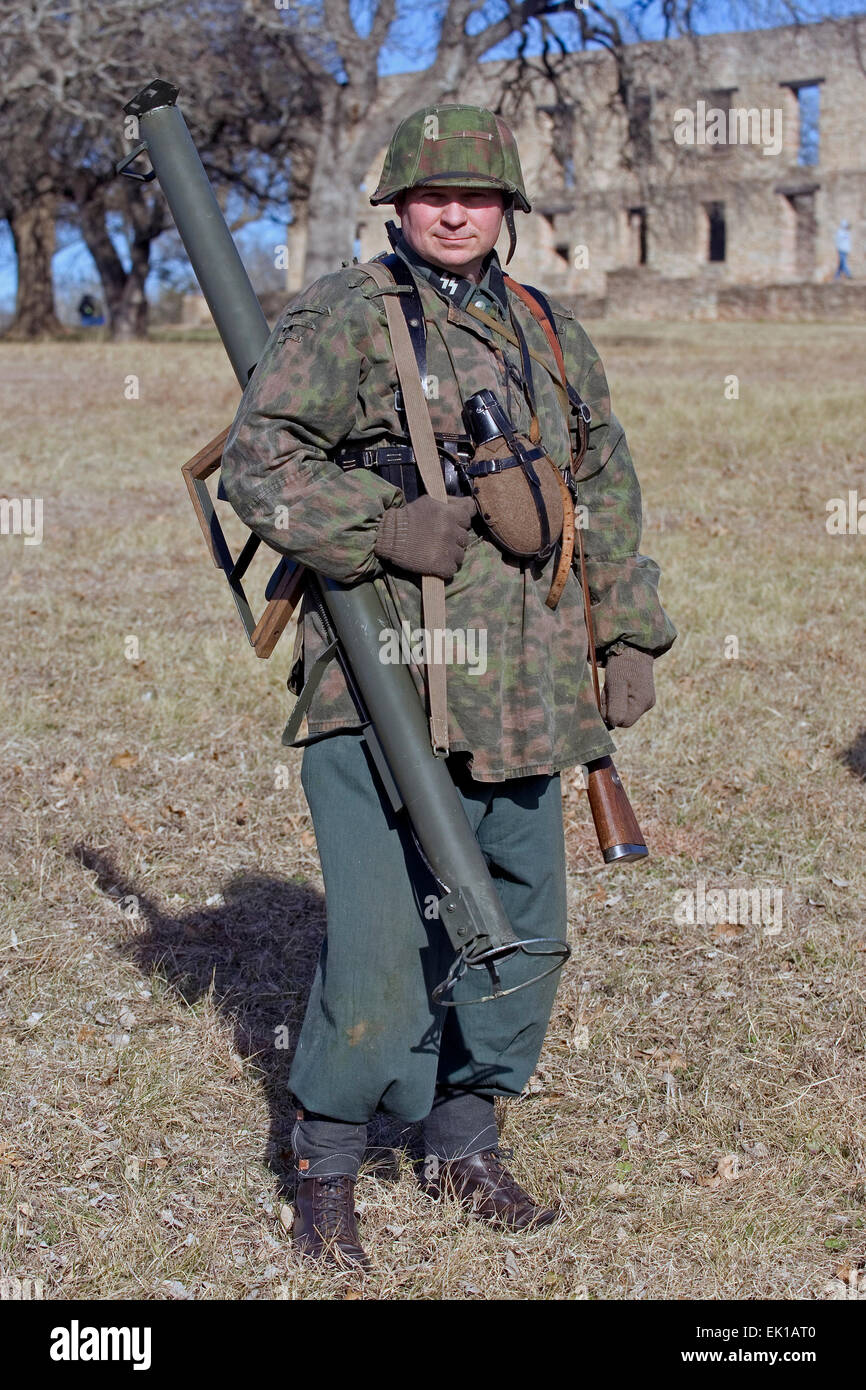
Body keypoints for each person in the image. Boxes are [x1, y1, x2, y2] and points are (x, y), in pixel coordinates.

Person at [220, 104, 676, 1269]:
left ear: (508, 212)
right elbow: (256, 461)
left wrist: (628, 633)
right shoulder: (344, 314)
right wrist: (379, 526)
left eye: (478, 196)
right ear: (400, 209)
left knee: (520, 930)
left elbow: (604, 485)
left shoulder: (548, 331)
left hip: (526, 684)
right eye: (433, 197)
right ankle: (325, 1167)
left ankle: (461, 1137)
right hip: (386, 679)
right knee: (380, 941)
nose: (456, 211)